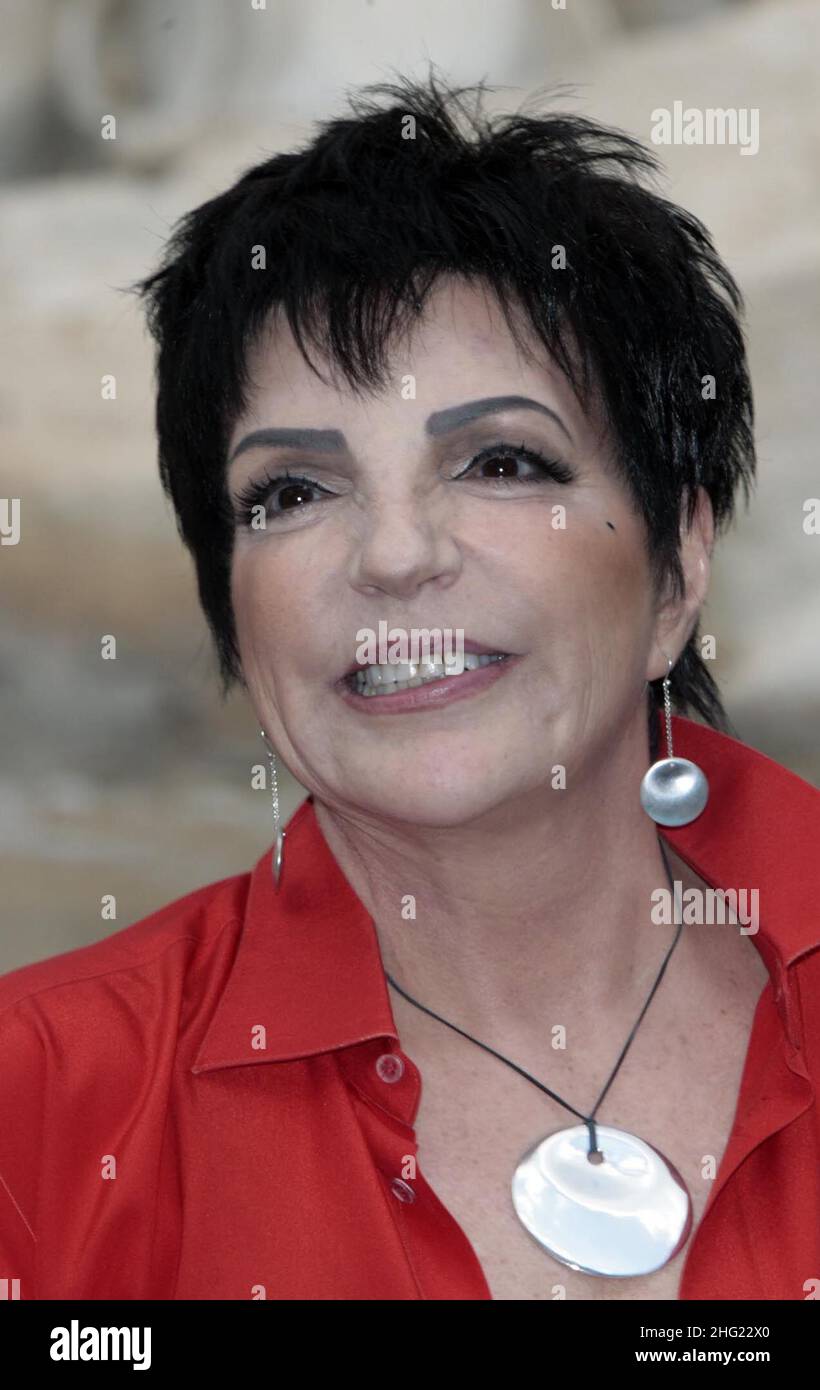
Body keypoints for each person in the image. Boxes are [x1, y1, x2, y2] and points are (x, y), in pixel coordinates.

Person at [1, 73, 817, 1302]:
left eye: (498, 460)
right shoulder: (41, 1100)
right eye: (291, 491)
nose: (391, 555)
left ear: (676, 566)